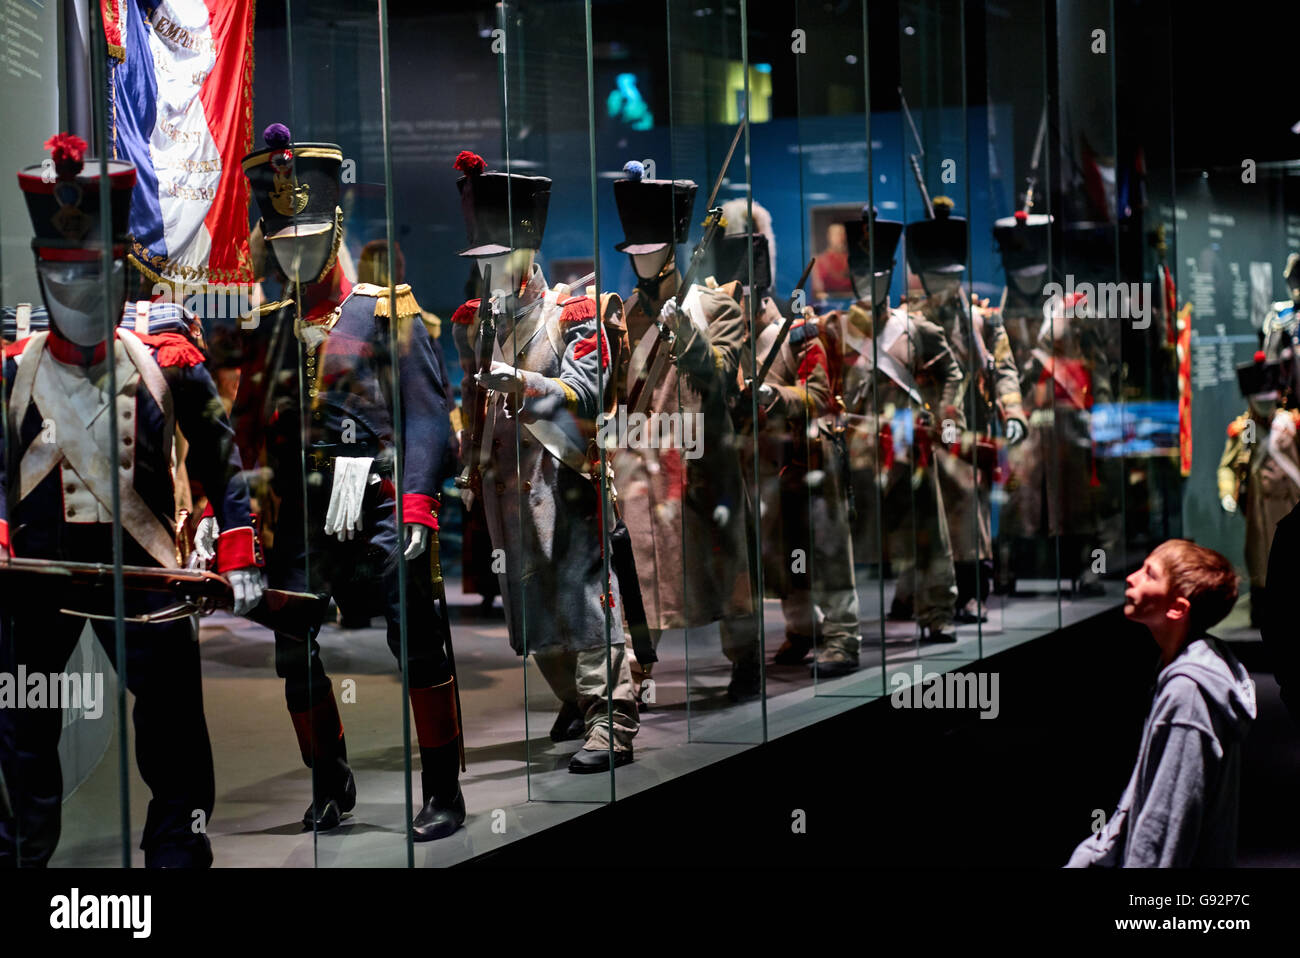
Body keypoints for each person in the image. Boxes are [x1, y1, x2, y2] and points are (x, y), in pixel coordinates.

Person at [0, 134, 261, 867]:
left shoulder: (166, 359)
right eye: (67, 277)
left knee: (173, 724)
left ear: (119, 273)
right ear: (46, 274)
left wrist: (239, 543)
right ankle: (23, 852)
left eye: (94, 276)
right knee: (23, 725)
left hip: (143, 570)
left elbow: (219, 457)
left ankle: (178, 846)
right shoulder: (12, 367)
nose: (81, 293)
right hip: (36, 577)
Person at [222, 124, 464, 839]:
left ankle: (445, 789)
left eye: (307, 236)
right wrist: (235, 512)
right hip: (300, 508)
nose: (294, 252)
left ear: (335, 226)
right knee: (293, 646)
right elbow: (245, 424)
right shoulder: (269, 323)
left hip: (381, 500)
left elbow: (426, 418)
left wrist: (418, 505)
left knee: (417, 637)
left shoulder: (386, 309)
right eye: (282, 239)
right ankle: (330, 779)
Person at [449, 149, 639, 773]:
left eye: (499, 258)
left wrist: (528, 386)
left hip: (567, 483)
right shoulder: (479, 326)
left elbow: (588, 389)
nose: (491, 271)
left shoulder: (574, 313)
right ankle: (579, 703)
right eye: (483, 261)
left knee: (585, 601)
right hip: (511, 492)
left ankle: (612, 716)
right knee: (530, 610)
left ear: (527, 252)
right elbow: (475, 405)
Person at [1066, 539, 1256, 868]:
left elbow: (1163, 826)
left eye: (1149, 575)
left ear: (1177, 609)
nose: (1131, 577)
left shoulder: (1188, 695)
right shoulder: (1184, 669)